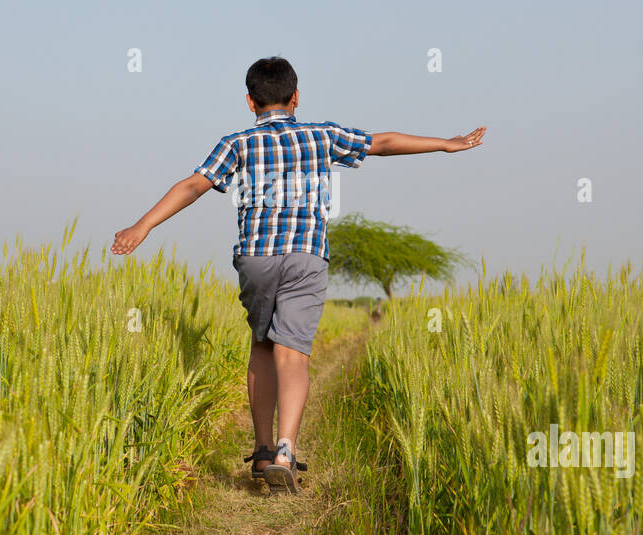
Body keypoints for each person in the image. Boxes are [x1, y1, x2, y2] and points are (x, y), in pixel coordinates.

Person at [110, 56, 485, 494]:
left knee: (263, 346)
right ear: (297, 97)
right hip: (306, 255)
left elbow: (193, 185)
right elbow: (383, 142)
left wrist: (143, 225)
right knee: (294, 354)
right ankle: (286, 451)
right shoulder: (321, 135)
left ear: (250, 102)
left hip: (256, 258)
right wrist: (446, 143)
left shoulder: (237, 143)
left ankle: (263, 449)